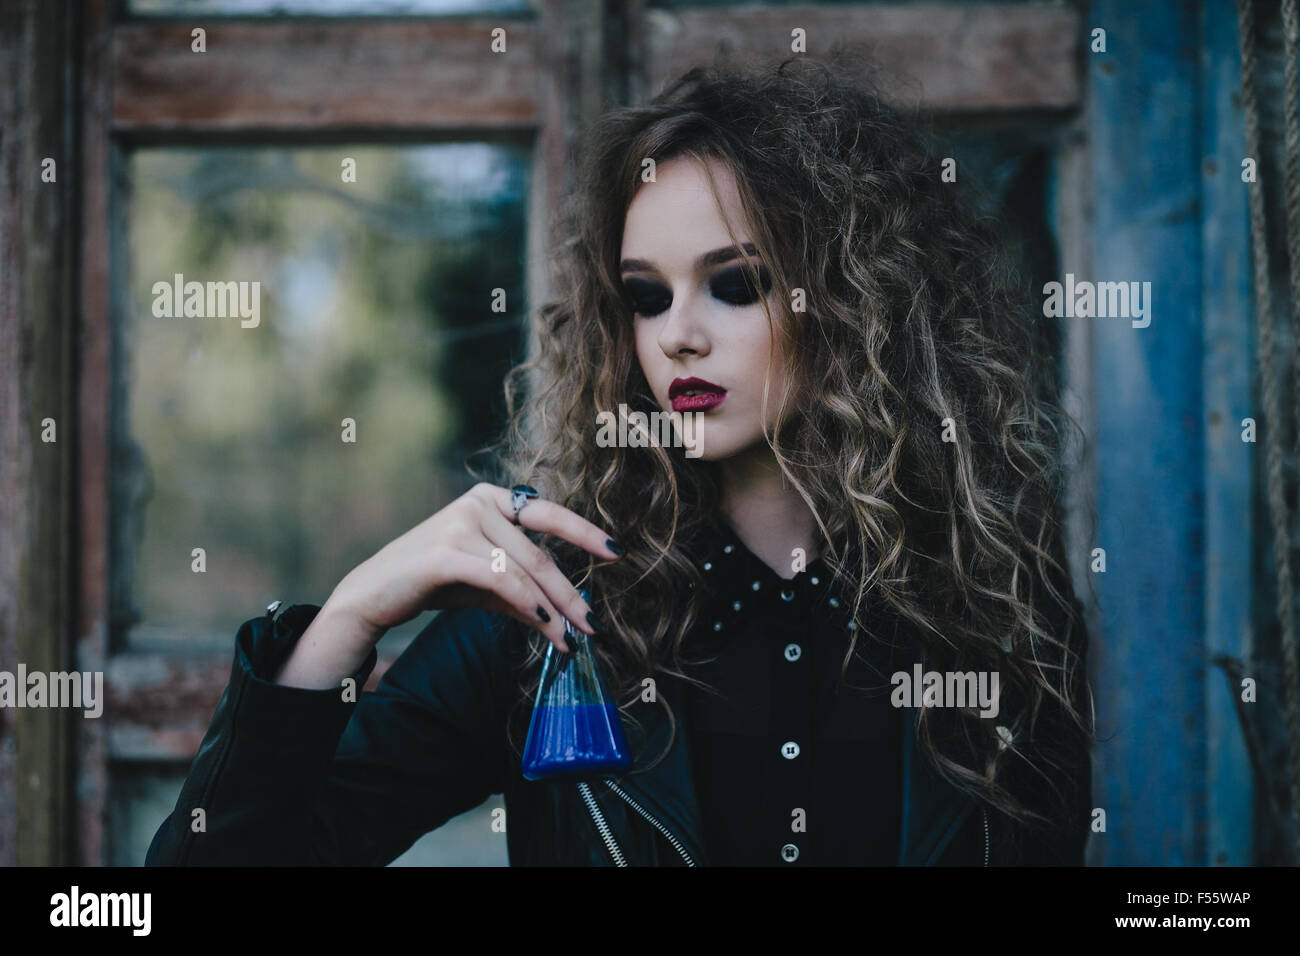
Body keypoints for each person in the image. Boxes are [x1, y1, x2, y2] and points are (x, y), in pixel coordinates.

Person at [146, 53, 1094, 867]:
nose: (678, 335)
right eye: (646, 297)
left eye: (735, 284)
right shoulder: (545, 617)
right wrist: (353, 615)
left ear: (854, 300)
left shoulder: (998, 607)